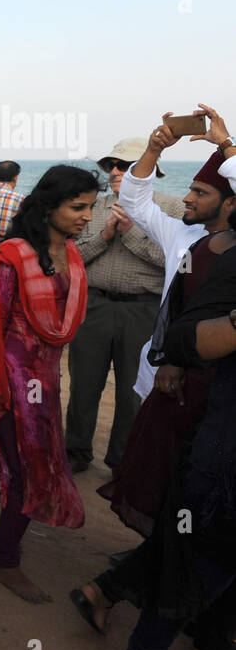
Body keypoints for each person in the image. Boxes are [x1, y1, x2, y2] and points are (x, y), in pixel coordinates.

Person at [72, 113, 236, 650]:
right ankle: (149, 627)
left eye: (201, 190)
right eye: (188, 187)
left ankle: (124, 591)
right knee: (180, 509)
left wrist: (223, 144)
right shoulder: (186, 238)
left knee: (187, 519)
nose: (187, 197)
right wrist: (156, 147)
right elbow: (138, 197)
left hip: (213, 403)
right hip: (177, 393)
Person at [98, 237, 236, 650]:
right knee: (192, 566)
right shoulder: (227, 259)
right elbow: (180, 337)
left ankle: (209, 648)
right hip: (226, 459)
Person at [0, 165, 99, 602]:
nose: (87, 216)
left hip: (47, 376)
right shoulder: (14, 253)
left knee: (6, 454)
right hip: (13, 377)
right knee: (26, 466)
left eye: (91, 207)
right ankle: (5, 561)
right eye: (78, 207)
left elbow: (63, 322)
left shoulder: (72, 253)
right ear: (48, 206)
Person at [66, 139, 184, 475]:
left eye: (123, 165)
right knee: (84, 384)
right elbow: (71, 258)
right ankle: (75, 451)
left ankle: (123, 460)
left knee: (134, 391)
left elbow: (174, 263)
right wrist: (104, 236)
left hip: (144, 310)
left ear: (149, 170)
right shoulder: (92, 207)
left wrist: (131, 235)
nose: (115, 172)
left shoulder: (171, 210)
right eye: (111, 166)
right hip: (94, 305)